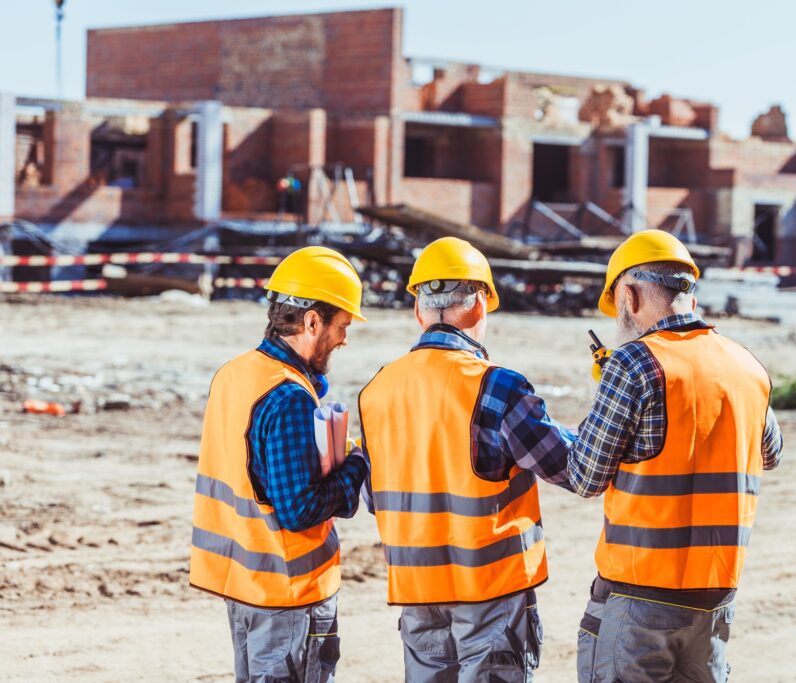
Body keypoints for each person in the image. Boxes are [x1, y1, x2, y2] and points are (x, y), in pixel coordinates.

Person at [568, 230, 784, 683]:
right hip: (715, 599)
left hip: (640, 597)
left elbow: (585, 475)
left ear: (628, 294)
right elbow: (770, 452)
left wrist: (608, 389)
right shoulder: (746, 365)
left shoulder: (633, 364)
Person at [358, 237, 574, 682]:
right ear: (479, 305)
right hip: (489, 590)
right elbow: (566, 465)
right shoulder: (497, 386)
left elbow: (374, 497)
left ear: (418, 310)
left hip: (417, 590)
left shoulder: (376, 391)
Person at [189, 246, 369, 683]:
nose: (344, 338)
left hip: (244, 587)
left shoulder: (235, 373)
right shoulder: (288, 397)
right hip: (288, 596)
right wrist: (357, 464)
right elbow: (300, 509)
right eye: (342, 325)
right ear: (312, 322)